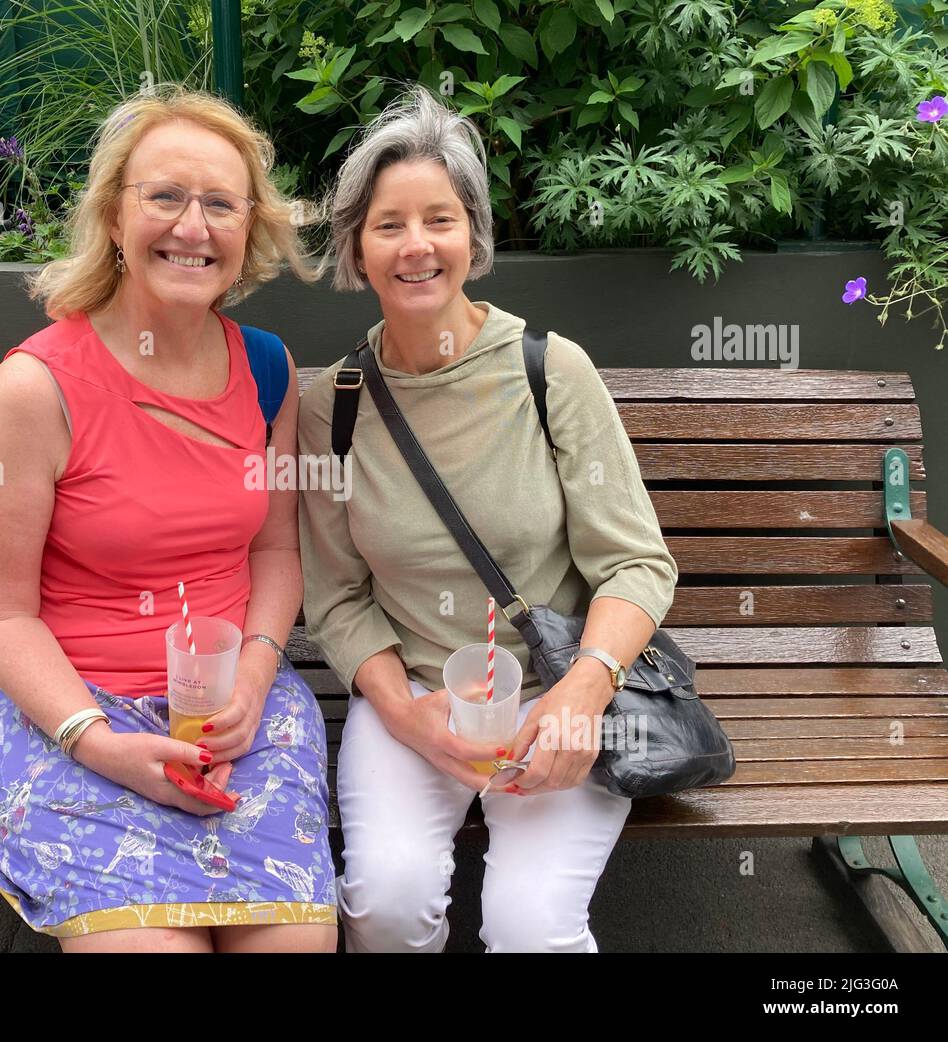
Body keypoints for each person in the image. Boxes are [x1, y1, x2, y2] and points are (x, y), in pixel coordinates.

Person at [0, 84, 337, 952]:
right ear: (114, 218)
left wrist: (258, 674)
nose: (192, 227)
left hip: (237, 709)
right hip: (67, 712)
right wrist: (96, 742)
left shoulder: (265, 368)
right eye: (164, 196)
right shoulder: (38, 385)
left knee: (294, 947)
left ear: (250, 230)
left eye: (220, 204)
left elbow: (275, 549)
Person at [297, 86, 679, 953]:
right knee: (385, 905)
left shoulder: (551, 372)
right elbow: (337, 597)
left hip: (553, 689)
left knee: (530, 929)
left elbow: (635, 564)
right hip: (415, 701)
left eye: (440, 218)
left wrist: (585, 691)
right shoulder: (335, 408)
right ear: (358, 244)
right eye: (389, 223)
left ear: (473, 233)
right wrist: (404, 713)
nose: (417, 245)